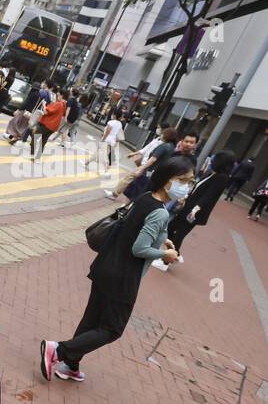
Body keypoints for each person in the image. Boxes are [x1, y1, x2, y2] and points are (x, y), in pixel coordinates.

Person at [41, 156, 195, 382]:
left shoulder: (145, 198)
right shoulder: (161, 212)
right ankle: (58, 351)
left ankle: (70, 365)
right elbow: (139, 248)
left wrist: (163, 241)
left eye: (190, 182)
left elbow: (138, 227)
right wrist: (165, 254)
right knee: (113, 329)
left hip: (106, 265)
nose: (186, 187)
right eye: (183, 180)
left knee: (91, 319)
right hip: (123, 276)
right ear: (166, 180)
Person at [160, 150, 234, 268]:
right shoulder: (213, 173)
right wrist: (186, 198)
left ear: (221, 162)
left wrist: (196, 208)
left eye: (216, 158)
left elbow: (209, 195)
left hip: (194, 211)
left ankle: (167, 261)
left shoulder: (222, 177)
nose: (212, 160)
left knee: (178, 233)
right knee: (173, 228)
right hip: (190, 208)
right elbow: (198, 189)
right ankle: (174, 254)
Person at [30, 86, 65, 160]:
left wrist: (43, 104)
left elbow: (46, 111)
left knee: (35, 136)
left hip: (47, 124)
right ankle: (37, 158)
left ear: (61, 96)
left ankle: (32, 155)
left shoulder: (58, 104)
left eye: (58, 95)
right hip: (53, 127)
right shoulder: (63, 105)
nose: (57, 97)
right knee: (43, 141)